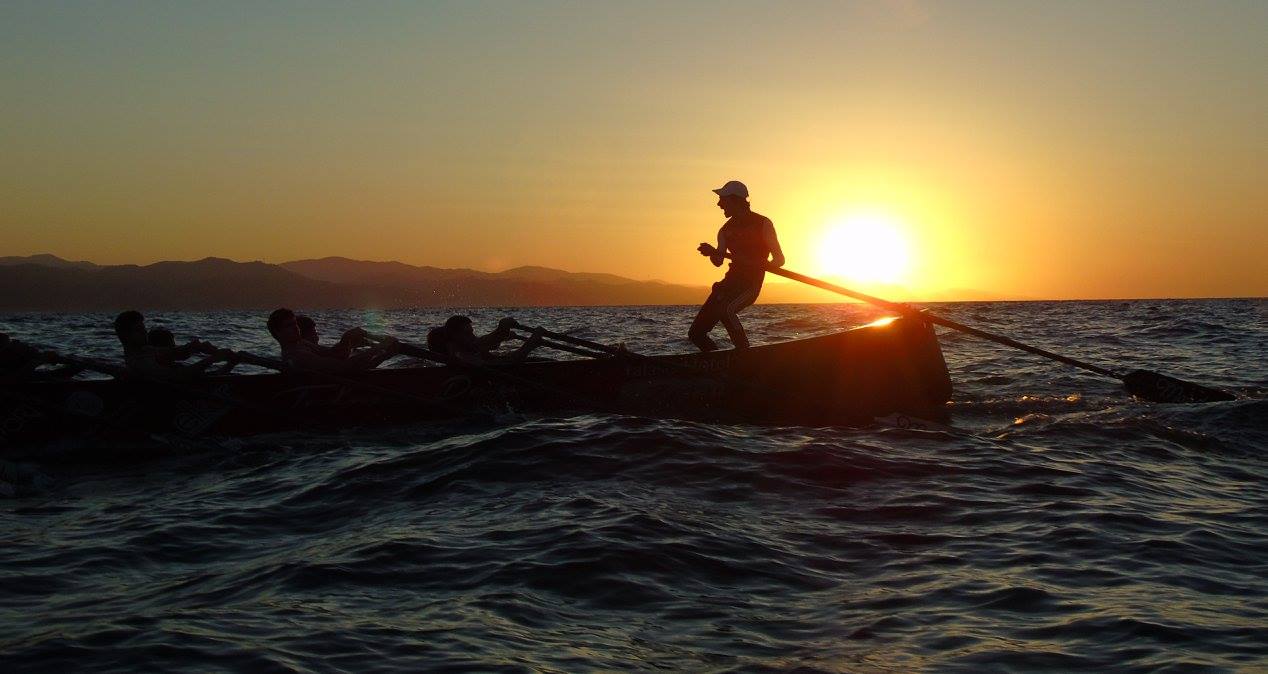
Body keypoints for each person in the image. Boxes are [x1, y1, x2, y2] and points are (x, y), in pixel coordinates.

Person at [690, 180, 784, 351]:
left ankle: (744, 353)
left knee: (726, 310)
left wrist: (763, 264)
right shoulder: (725, 230)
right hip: (727, 285)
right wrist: (713, 253)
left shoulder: (763, 224)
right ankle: (719, 362)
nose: (719, 204)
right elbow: (718, 262)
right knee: (695, 334)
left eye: (722, 199)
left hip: (749, 285)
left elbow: (779, 260)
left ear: (735, 200)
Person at [113, 310, 235, 380]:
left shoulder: (146, 350)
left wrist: (194, 347)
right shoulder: (139, 362)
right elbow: (179, 376)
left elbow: (174, 352)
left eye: (144, 329)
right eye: (139, 330)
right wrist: (213, 359)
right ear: (126, 335)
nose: (145, 332)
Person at [267, 308, 397, 372]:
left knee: (352, 338)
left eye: (295, 324)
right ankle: (386, 348)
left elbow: (334, 354)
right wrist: (378, 348)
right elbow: (344, 366)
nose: (295, 328)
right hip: (331, 382)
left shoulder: (302, 343)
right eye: (289, 326)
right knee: (356, 362)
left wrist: (349, 341)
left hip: (339, 376)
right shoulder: (297, 355)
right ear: (278, 332)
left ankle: (387, 350)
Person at [427, 316, 543, 365]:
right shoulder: (461, 356)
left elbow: (488, 344)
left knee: (538, 360)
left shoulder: (467, 348)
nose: (473, 336)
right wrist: (531, 343)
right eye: (467, 333)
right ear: (454, 338)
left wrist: (502, 335)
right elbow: (510, 362)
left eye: (472, 332)